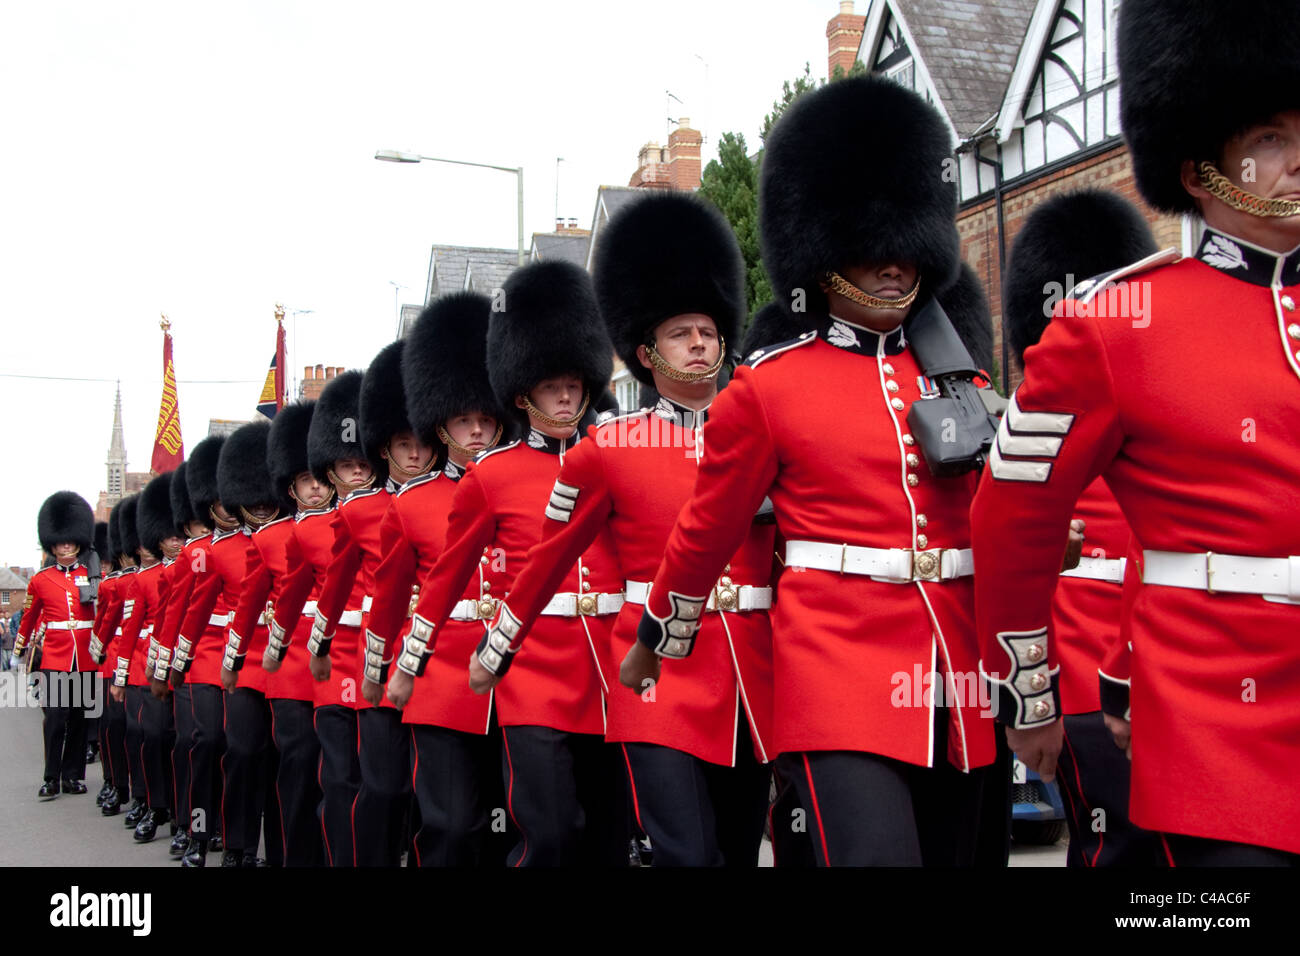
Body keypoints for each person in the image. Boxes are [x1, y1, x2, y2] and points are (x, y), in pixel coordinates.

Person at [621, 76, 1001, 866]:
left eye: (906, 247)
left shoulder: (959, 383)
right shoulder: (770, 386)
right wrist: (662, 628)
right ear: (826, 251)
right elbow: (709, 524)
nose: (894, 266)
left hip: (954, 671)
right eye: (870, 248)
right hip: (835, 676)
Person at [972, 0, 1300, 866]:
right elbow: (1014, 517)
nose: (1298, 158)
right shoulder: (1120, 323)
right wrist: (1031, 692)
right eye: (1269, 137)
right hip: (1221, 737)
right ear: (1198, 168)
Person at [468, 192, 774, 866]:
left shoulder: (763, 435)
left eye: (707, 331)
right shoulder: (609, 448)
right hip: (654, 675)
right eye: (678, 332)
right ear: (645, 351)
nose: (699, 343)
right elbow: (551, 555)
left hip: (750, 676)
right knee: (686, 856)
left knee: (733, 852)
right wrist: (502, 643)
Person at [388, 260, 628, 867]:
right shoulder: (493, 477)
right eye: (553, 386)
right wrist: (409, 661)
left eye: (576, 383)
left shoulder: (616, 458)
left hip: (605, 663)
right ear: (524, 395)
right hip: (531, 666)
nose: (569, 395)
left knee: (605, 836)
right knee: (545, 833)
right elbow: (444, 576)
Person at [367, 293, 510, 867]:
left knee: (512, 824)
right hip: (442, 677)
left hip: (519, 673)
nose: (476, 431)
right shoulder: (410, 504)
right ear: (440, 424)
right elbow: (390, 596)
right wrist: (381, 672)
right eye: (462, 420)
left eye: (485, 419)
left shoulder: (529, 485)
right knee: (451, 826)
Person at [301, 340, 435, 866]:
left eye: (422, 443)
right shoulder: (359, 513)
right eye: (403, 445)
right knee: (379, 785)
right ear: (387, 448)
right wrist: (323, 645)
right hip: (376, 656)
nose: (416, 454)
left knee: (434, 794)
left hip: (436, 657)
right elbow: (334, 589)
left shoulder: (460, 494)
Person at [268, 371, 376, 866]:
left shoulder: (389, 511)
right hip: (330, 663)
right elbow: (289, 601)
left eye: (362, 463)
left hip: (381, 658)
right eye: (344, 466)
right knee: (336, 776)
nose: (354, 472)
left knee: (381, 780)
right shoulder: (307, 533)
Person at [228, 401, 325, 866]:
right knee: (297, 765)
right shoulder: (268, 539)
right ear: (292, 485)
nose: (317, 488)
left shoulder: (359, 521)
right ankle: (289, 853)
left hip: (337, 661)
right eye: (307, 480)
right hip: (288, 666)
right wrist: (232, 662)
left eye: (321, 478)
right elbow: (248, 605)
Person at [14, 491, 99, 799]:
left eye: (70, 542)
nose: (66, 546)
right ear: (52, 544)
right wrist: (19, 650)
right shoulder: (41, 580)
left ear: (78, 541)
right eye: (61, 542)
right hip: (55, 658)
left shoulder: (92, 576)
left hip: (85, 657)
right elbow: (28, 617)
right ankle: (51, 776)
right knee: (56, 718)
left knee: (78, 718)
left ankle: (73, 775)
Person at [114, 472, 183, 842]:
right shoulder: (143, 579)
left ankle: (183, 814)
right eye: (169, 534)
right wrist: (122, 676)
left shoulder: (196, 563)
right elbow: (130, 629)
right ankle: (155, 805)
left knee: (184, 743)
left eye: (178, 533)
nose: (175, 540)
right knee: (153, 736)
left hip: (189, 665)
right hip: (150, 665)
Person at [90, 498, 134, 817]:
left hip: (142, 656)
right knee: (113, 723)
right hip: (114, 657)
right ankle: (115, 781)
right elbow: (103, 623)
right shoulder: (111, 584)